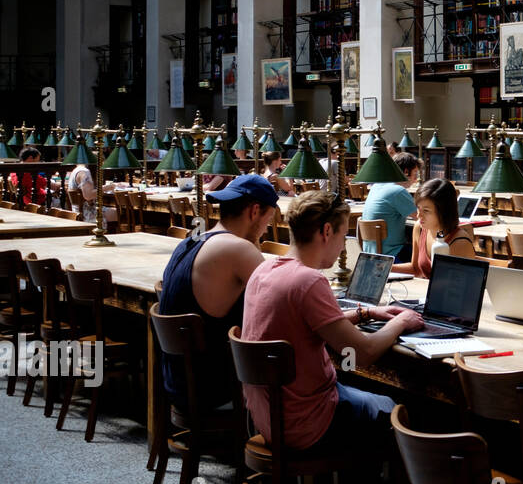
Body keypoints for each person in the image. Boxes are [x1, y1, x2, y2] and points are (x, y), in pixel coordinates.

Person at [240, 191, 424, 452]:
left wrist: (366, 313)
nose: (341, 247)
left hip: (269, 417)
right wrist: (402, 321)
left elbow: (304, 323)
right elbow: (362, 353)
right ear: (327, 231)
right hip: (308, 423)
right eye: (342, 236)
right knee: (395, 409)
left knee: (358, 389)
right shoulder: (309, 281)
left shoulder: (264, 271)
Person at [157, 174, 278, 413]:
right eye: (268, 219)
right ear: (254, 211)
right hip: (214, 390)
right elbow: (282, 304)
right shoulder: (238, 249)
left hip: (177, 383)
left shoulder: (192, 239)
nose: (266, 230)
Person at [393, 178, 476, 277]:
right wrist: (383, 266)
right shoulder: (419, 228)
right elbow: (416, 269)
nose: (419, 216)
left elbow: (459, 284)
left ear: (443, 212)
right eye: (418, 209)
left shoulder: (459, 242)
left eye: (426, 211)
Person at [361, 151, 419, 261]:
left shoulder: (376, 186)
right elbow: (421, 217)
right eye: (415, 174)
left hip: (370, 254)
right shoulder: (397, 191)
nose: (416, 179)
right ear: (406, 172)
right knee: (428, 254)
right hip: (392, 254)